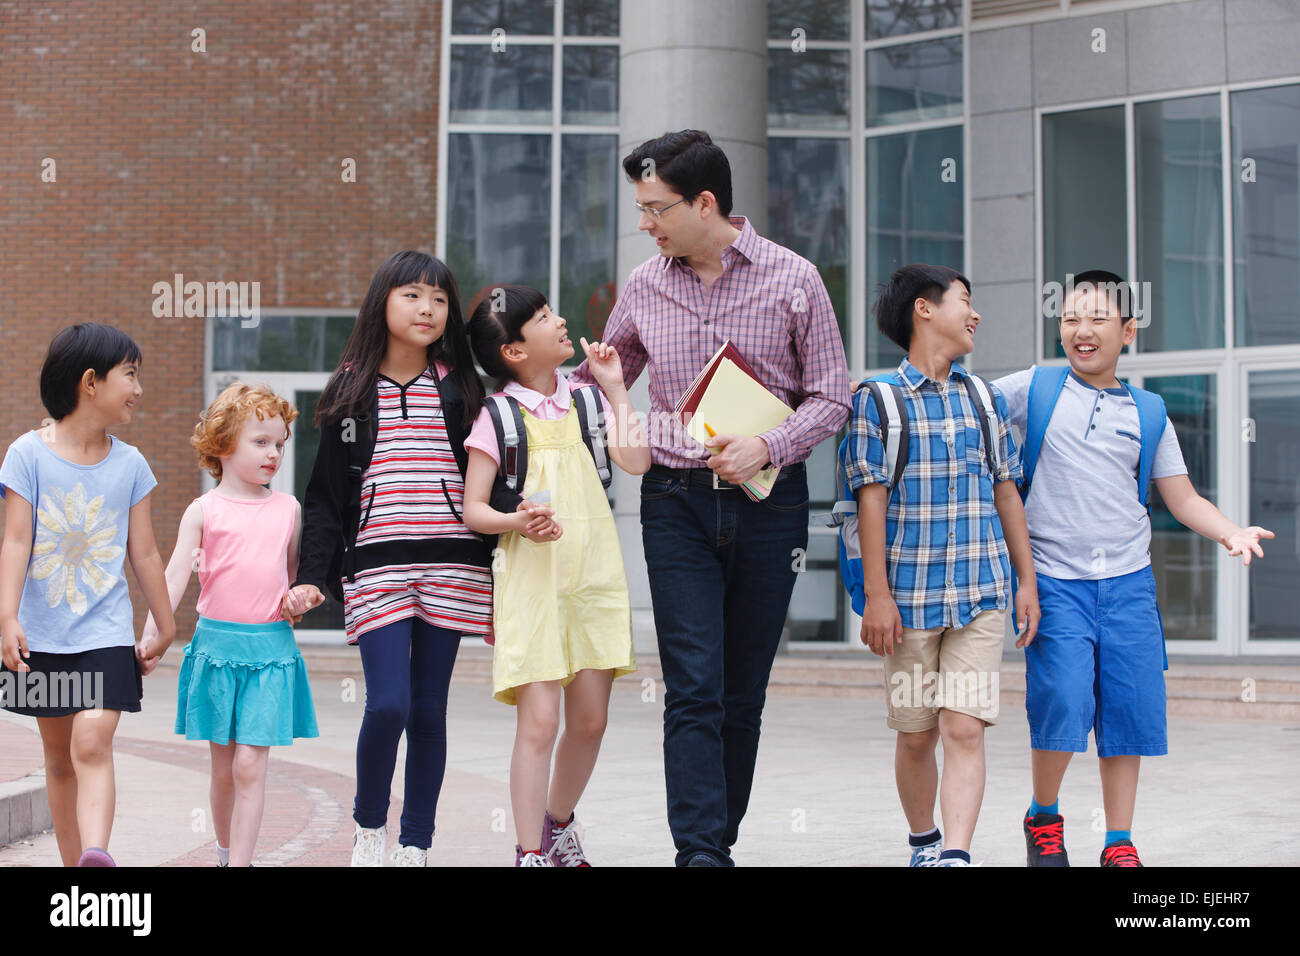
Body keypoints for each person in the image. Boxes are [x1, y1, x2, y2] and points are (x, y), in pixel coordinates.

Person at [568, 129, 851, 866]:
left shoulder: (796, 279)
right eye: (640, 208)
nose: (645, 223)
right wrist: (549, 388)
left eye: (656, 208)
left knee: (740, 693)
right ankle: (699, 854)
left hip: (771, 502)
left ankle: (714, 839)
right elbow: (606, 376)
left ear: (705, 203)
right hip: (674, 501)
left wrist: (771, 444)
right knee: (692, 686)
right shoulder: (644, 284)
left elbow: (832, 397)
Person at [282, 251, 557, 867]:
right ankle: (368, 828)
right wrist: (310, 577)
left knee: (429, 710)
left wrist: (515, 532)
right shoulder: (350, 390)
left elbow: (489, 481)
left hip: (453, 566)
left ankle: (415, 845)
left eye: (438, 299)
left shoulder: (464, 389)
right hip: (378, 565)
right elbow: (324, 497)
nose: (427, 308)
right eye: (412, 295)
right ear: (383, 301)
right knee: (388, 705)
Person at [992, 270, 1273, 868]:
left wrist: (1229, 531)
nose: (1081, 330)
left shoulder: (1149, 412)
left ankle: (1118, 842)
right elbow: (961, 405)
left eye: (1096, 319)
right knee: (1062, 700)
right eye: (1069, 318)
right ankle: (1044, 816)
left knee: (1128, 710)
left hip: (1127, 586)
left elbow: (1183, 497)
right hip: (1055, 581)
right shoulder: (1033, 389)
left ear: (1128, 332)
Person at [845, 264, 1039, 867]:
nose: (975, 314)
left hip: (980, 594)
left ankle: (956, 853)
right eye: (965, 301)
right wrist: (877, 596)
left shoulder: (984, 398)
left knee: (964, 728)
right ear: (923, 311)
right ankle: (923, 840)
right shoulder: (876, 400)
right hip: (906, 601)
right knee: (916, 733)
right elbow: (869, 499)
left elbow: (1007, 491)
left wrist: (1024, 582)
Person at [462, 284, 646, 867]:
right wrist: (517, 520)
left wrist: (616, 388)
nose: (561, 320)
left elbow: (636, 460)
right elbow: (474, 509)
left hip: (594, 576)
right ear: (514, 351)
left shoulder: (590, 401)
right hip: (532, 583)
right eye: (543, 318)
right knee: (540, 723)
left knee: (590, 721)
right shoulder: (496, 416)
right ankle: (529, 852)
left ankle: (559, 823)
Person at [0, 323, 175, 867]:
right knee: (57, 756)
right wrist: (6, 618)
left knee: (92, 741)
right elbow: (15, 540)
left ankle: (97, 854)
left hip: (104, 632)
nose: (139, 388)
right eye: (131, 374)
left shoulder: (131, 465)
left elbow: (143, 555)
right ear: (90, 382)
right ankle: (77, 870)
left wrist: (165, 624)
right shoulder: (27, 454)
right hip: (41, 634)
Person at [137, 382, 319, 868]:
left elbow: (293, 580)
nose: (274, 453)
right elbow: (174, 576)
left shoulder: (289, 510)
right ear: (223, 445)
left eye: (280, 443)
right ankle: (223, 854)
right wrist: (151, 639)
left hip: (269, 654)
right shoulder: (204, 511)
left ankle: (242, 863)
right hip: (216, 650)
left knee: (249, 764)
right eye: (261, 441)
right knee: (222, 771)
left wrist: (299, 598)